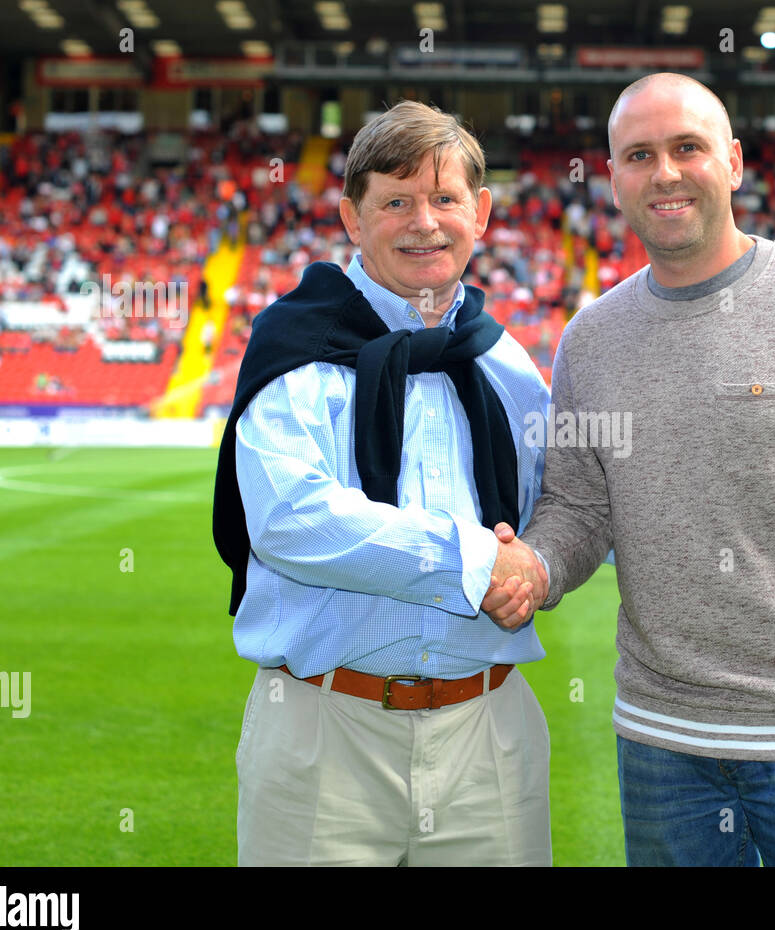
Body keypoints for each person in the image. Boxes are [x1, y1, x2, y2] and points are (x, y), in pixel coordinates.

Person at [484, 73, 775, 867]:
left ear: (733, 162)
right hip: (663, 749)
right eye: (639, 155)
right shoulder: (592, 339)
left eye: (687, 148)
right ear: (613, 179)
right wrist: (531, 567)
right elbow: (579, 510)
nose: (665, 173)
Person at [212, 101, 553, 866]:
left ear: (483, 213)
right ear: (351, 218)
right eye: (395, 201)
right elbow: (292, 521)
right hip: (324, 733)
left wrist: (537, 568)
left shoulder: (510, 370)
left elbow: (560, 514)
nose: (422, 222)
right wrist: (475, 561)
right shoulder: (294, 347)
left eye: (444, 199)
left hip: (489, 732)